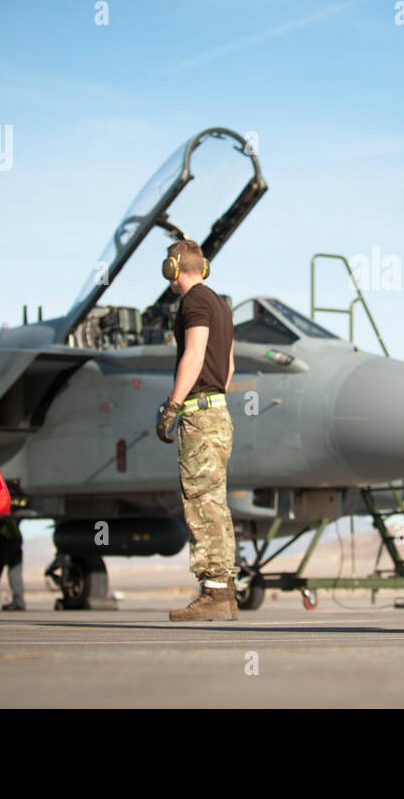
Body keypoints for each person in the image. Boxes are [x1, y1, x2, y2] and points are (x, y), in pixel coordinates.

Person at [156, 239, 239, 622]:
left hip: (200, 415)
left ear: (174, 268)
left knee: (202, 503)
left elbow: (194, 353)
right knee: (214, 502)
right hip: (218, 412)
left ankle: (215, 593)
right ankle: (223, 590)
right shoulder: (221, 304)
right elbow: (229, 366)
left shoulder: (194, 303)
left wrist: (173, 406)